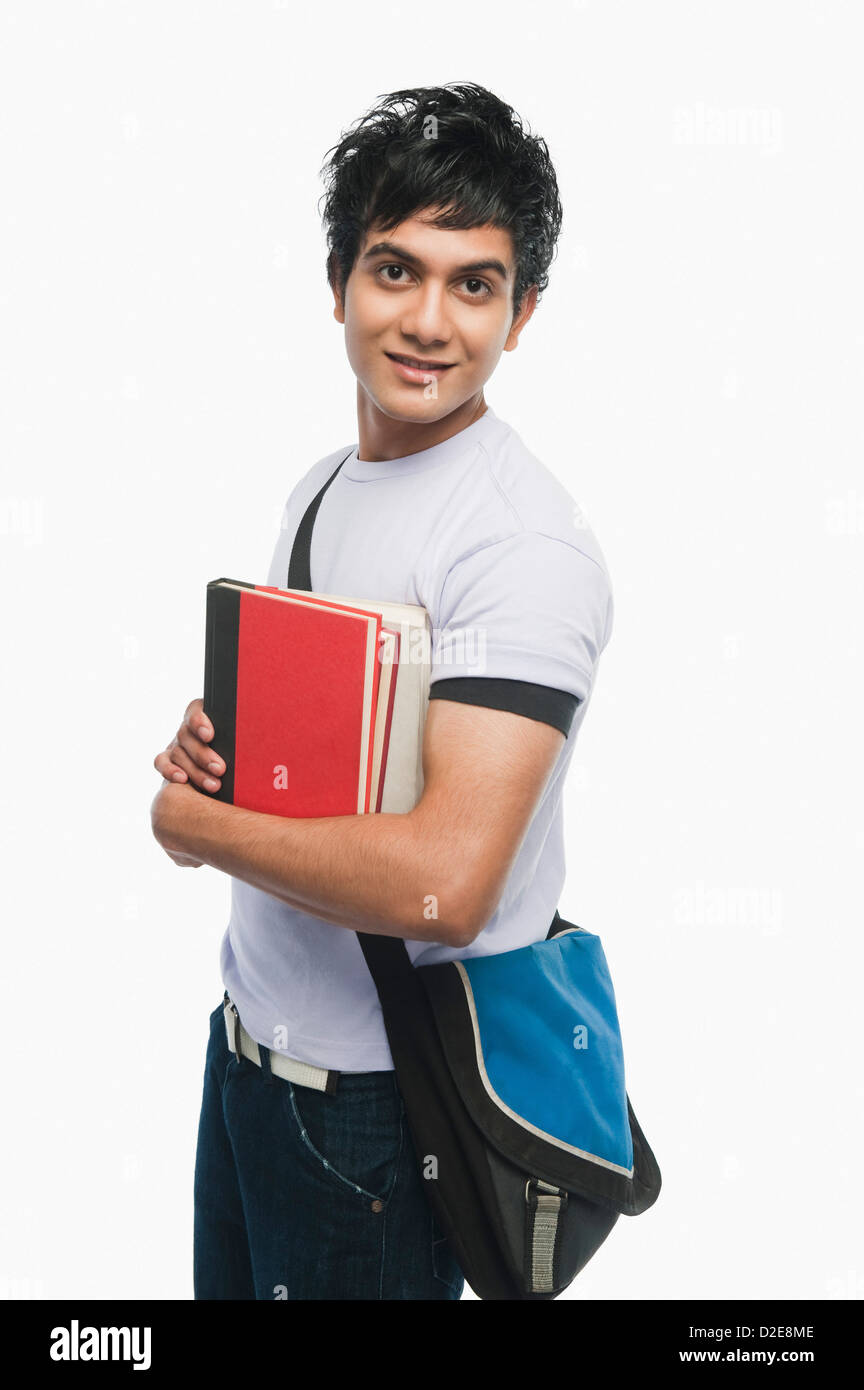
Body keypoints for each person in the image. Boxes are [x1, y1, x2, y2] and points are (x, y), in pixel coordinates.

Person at [150, 82, 614, 1301]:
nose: (428, 320)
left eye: (475, 283)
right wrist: (217, 761)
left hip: (369, 1116)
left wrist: (202, 829)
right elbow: (320, 766)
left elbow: (443, 885)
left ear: (523, 316)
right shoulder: (319, 486)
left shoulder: (521, 547)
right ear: (339, 284)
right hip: (247, 1058)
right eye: (394, 270)